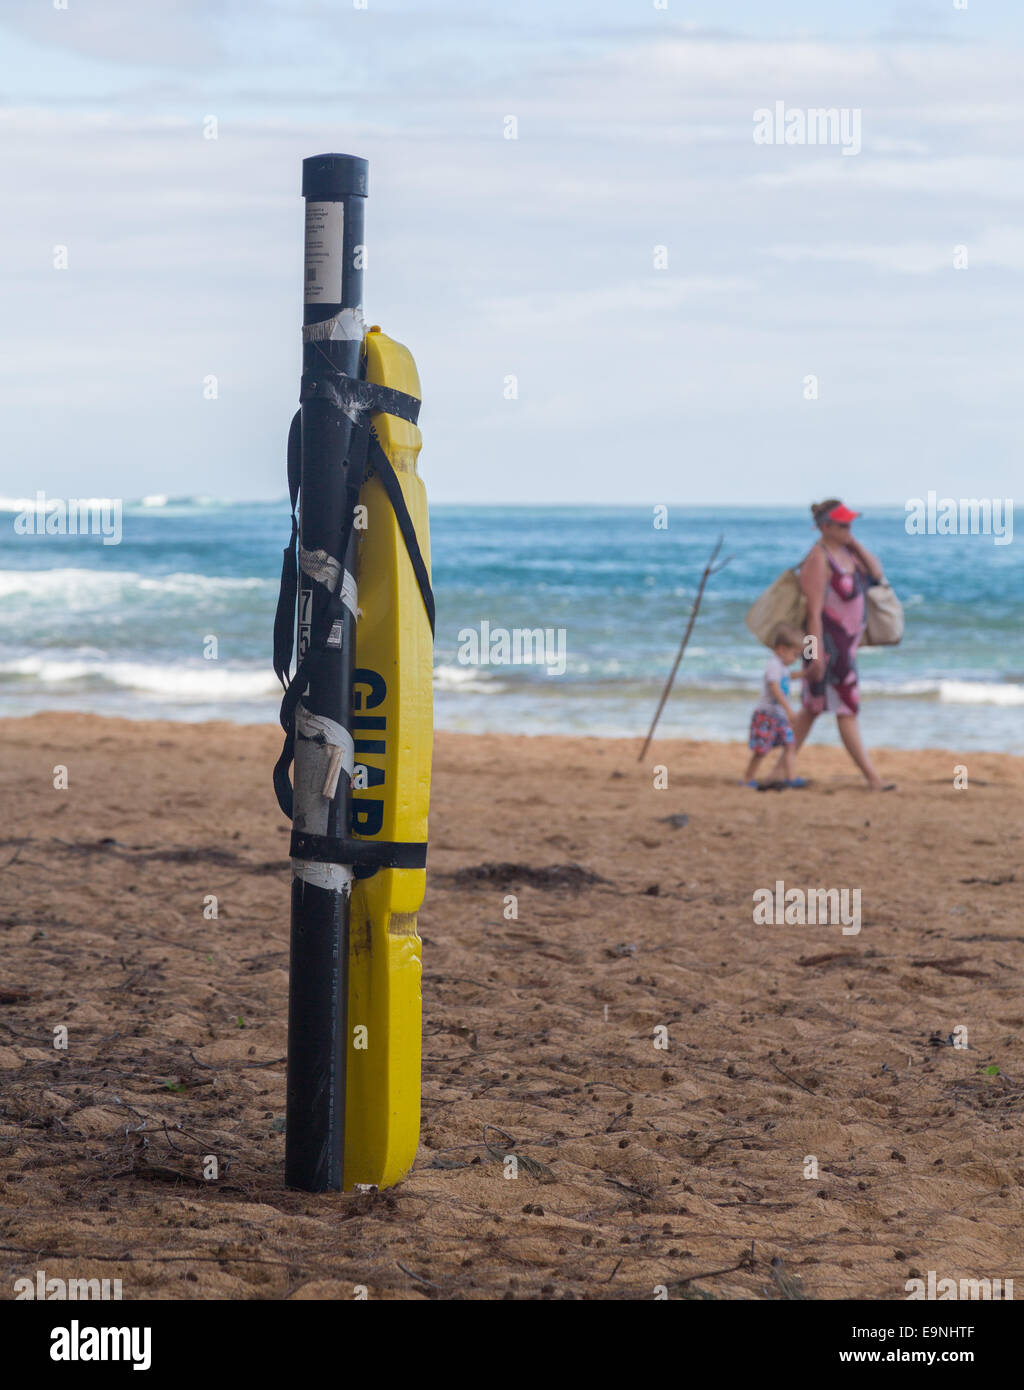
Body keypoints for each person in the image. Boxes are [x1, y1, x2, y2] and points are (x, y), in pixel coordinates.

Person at [772, 500, 894, 791]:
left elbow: (877, 575)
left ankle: (778, 772)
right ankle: (873, 778)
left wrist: (854, 543)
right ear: (825, 526)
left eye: (850, 524)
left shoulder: (848, 553)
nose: (847, 529)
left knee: (812, 709)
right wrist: (814, 657)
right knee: (846, 709)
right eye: (842, 525)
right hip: (828, 649)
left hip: (846, 649)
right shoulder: (818, 558)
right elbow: (813, 613)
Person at [742, 623, 806, 788]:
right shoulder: (773, 665)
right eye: (794, 654)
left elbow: (788, 676)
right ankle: (748, 779)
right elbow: (775, 687)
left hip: (779, 717)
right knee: (761, 750)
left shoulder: (782, 667)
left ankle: (791, 779)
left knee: (790, 745)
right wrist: (789, 710)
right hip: (767, 715)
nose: (795, 659)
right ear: (781, 649)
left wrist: (805, 674)